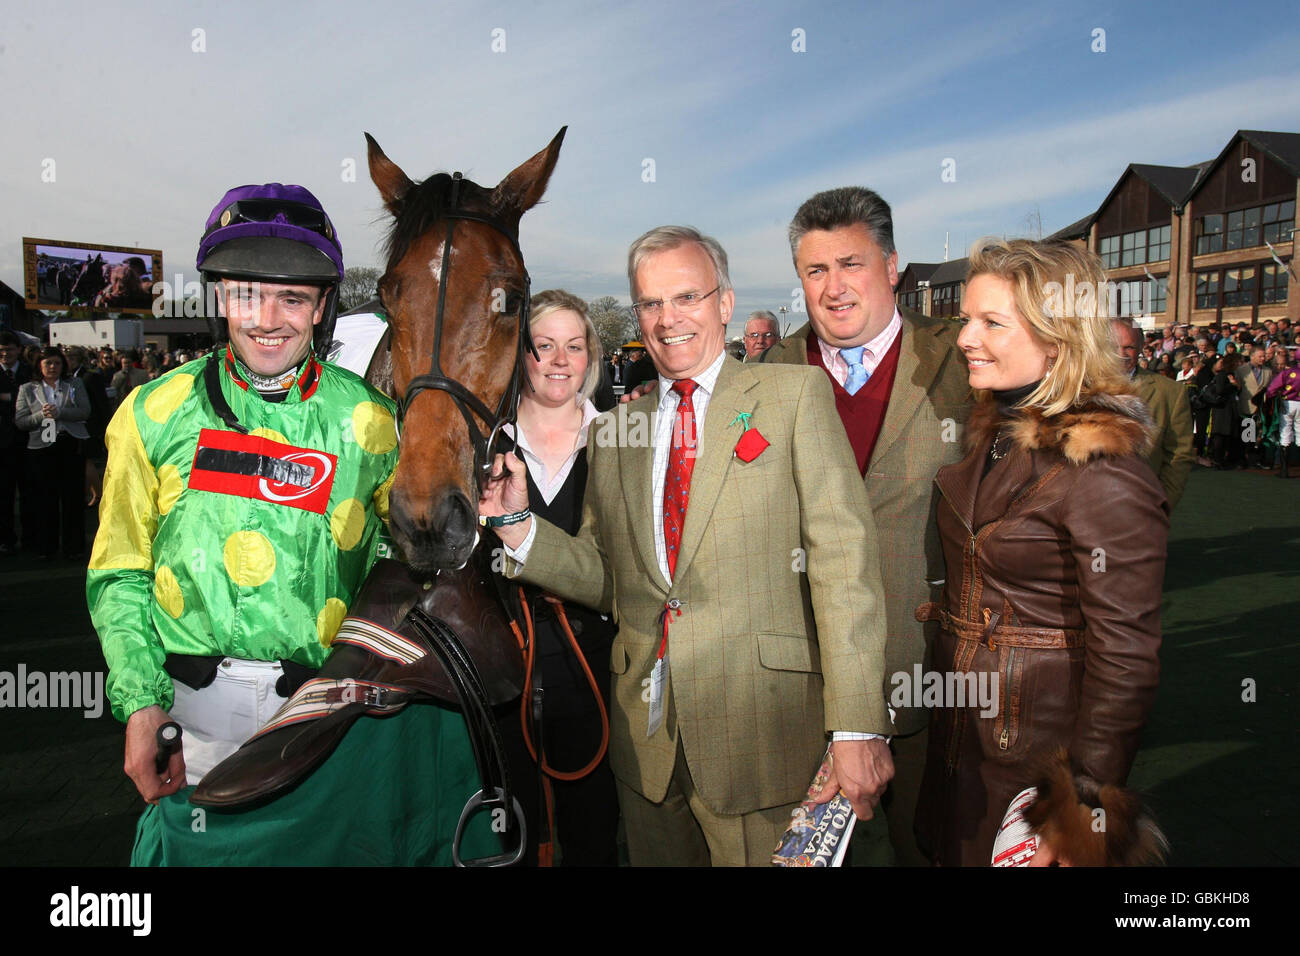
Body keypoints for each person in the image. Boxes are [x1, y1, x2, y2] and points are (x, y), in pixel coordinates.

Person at [88, 183, 490, 866]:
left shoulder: (374, 423)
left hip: (327, 725)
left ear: (322, 306)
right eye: (247, 293)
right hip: (192, 727)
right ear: (219, 297)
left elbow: (409, 568)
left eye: (293, 298)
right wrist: (138, 705)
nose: (268, 318)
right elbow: (120, 571)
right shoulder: (150, 412)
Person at [480, 225, 895, 866]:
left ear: (724, 303)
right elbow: (609, 578)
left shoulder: (794, 399)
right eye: (649, 303)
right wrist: (517, 526)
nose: (666, 319)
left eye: (686, 298)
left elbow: (845, 567)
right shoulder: (617, 430)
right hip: (646, 753)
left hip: (762, 739)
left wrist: (857, 724)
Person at [915, 238, 1167, 867]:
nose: (966, 338)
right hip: (961, 743)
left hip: (1036, 765)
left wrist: (1079, 804)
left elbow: (1127, 654)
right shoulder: (996, 434)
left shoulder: (1104, 471)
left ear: (1058, 338)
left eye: (992, 322)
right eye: (965, 319)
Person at [761, 186, 971, 866]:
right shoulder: (766, 376)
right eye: (815, 270)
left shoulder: (963, 366)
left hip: (929, 669)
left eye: (851, 264)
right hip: (802, 676)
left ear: (893, 269)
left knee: (930, 849)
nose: (833, 287)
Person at [506, 288, 619, 865]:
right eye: (543, 346)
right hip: (504, 673)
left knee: (593, 826)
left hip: (593, 668)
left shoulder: (619, 441)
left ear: (589, 357)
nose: (558, 361)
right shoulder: (485, 443)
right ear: (521, 354)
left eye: (573, 347)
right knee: (512, 828)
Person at [15, 347, 91, 559]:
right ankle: (45, 547)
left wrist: (61, 412)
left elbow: (85, 411)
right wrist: (41, 415)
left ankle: (74, 547)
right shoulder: (27, 389)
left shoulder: (74, 384)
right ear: (39, 365)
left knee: (73, 498)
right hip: (41, 449)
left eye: (57, 363)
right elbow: (20, 421)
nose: (53, 367)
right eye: (48, 363)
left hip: (70, 445)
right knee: (44, 499)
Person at [1112, 320, 1194, 510]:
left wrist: (1163, 504)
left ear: (1141, 347)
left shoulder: (1171, 392)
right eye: (1113, 346)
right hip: (1085, 506)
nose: (1120, 354)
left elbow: (1179, 455)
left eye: (1129, 347)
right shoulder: (1079, 387)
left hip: (1142, 505)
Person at [0, 331, 35, 555]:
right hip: (2, 444)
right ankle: (6, 539)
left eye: (9, 349)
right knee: (3, 495)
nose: (5, 354)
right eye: (1, 351)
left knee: (30, 493)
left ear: (18, 350)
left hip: (28, 441)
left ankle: (31, 538)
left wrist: (7, 398)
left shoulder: (29, 372)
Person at [1236, 346, 1275, 468]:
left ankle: (1256, 460)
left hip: (1261, 409)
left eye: (1264, 356)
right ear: (1252, 356)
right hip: (1246, 407)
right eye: (1260, 356)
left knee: (1259, 436)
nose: (1263, 358)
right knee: (1246, 435)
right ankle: (1244, 459)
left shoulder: (1268, 371)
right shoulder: (1241, 370)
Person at [1265, 346, 1300, 478]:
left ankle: (1284, 470)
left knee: (1285, 433)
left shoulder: (1288, 372)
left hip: (1288, 403)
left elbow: (1272, 389)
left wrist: (1268, 400)